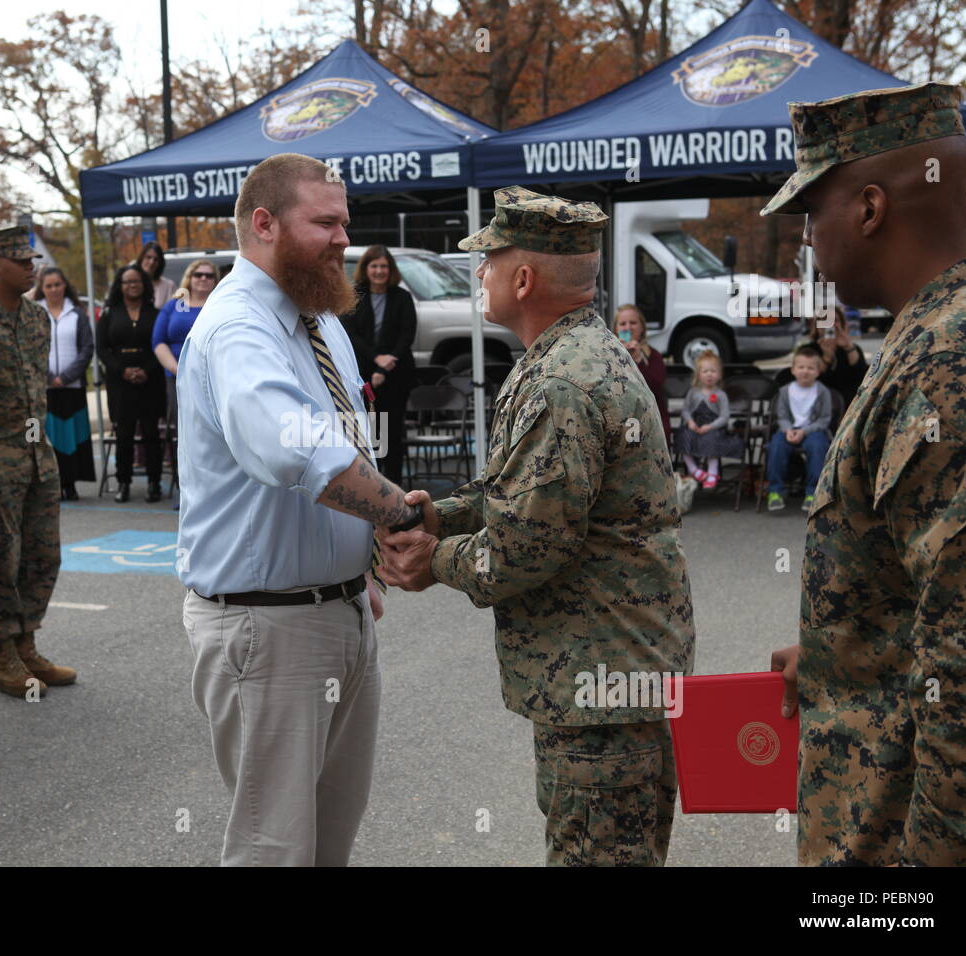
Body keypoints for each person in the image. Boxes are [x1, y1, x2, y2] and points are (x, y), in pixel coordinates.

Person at [378, 187, 695, 867]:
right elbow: (525, 496)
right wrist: (448, 514)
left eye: (487, 262)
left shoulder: (560, 381)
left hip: (600, 694)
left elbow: (525, 547)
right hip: (608, 681)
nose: (478, 276)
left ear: (522, 279)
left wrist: (434, 559)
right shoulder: (571, 357)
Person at [763, 82, 966, 866]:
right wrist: (835, 653)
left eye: (811, 212)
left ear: (868, 209)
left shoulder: (949, 365)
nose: (809, 240)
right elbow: (929, 598)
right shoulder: (939, 335)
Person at [178, 152, 412, 866]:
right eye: (327, 222)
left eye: (346, 221)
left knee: (328, 840)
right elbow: (295, 451)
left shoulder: (320, 319)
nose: (346, 238)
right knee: (275, 849)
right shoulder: (238, 328)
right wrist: (402, 515)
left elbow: (347, 446)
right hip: (269, 627)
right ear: (264, 224)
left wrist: (362, 565)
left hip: (337, 612)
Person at [0, 225, 76, 699]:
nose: (32, 267)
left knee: (44, 555)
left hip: (37, 461)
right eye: (20, 261)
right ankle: (4, 655)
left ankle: (28, 643)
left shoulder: (35, 320)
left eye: (32, 260)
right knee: (1, 559)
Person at [340, 245, 417, 484]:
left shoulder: (402, 297)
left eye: (384, 266)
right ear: (366, 268)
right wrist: (376, 360)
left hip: (396, 375)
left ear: (390, 269)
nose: (379, 271)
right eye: (374, 266)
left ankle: (395, 485)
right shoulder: (354, 295)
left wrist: (386, 364)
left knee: (392, 433)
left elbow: (407, 333)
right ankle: (372, 483)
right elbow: (350, 334)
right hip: (363, 374)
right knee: (368, 431)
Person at [98, 265, 165, 503]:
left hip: (150, 380)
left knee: (151, 434)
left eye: (136, 281)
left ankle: (154, 482)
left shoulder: (156, 313)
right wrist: (122, 371)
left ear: (144, 284)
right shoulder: (109, 314)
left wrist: (145, 371)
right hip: (120, 382)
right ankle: (123, 483)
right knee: (123, 434)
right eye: (126, 282)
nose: (132, 285)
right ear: (120, 285)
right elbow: (102, 349)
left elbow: (160, 344)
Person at [33, 266, 96, 500]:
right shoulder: (34, 312)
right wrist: (49, 376)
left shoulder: (77, 313)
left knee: (72, 435)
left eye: (57, 284)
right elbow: (30, 347)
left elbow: (87, 347)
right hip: (44, 388)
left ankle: (71, 483)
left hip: (72, 386)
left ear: (65, 286)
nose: (54, 289)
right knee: (49, 436)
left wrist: (66, 377)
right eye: (48, 286)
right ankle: (52, 484)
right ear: (42, 288)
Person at [152, 258, 218, 461]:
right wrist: (178, 369)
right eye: (199, 274)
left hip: (213, 377)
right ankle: (185, 474)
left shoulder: (221, 305)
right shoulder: (175, 305)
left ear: (216, 280)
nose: (203, 278)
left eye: (209, 275)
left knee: (212, 428)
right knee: (184, 427)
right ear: (190, 278)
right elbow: (158, 341)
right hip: (178, 377)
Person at [764, 344, 832, 512]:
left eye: (810, 368)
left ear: (818, 371)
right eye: (801, 367)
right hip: (789, 429)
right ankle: (775, 491)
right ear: (793, 369)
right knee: (776, 446)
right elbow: (782, 416)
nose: (805, 371)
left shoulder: (822, 392)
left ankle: (812, 492)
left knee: (817, 447)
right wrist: (788, 430)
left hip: (812, 431)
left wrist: (804, 431)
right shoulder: (785, 391)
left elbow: (824, 419)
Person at [672, 350, 743, 490]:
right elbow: (686, 410)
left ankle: (712, 472)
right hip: (695, 425)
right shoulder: (693, 392)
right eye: (705, 371)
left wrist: (710, 426)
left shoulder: (720, 395)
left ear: (719, 374)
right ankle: (694, 470)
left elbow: (724, 416)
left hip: (713, 427)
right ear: (698, 374)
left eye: (713, 371)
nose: (709, 374)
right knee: (683, 436)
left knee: (711, 439)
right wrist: (690, 422)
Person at [772, 305, 867, 407]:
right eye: (825, 320)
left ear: (842, 325)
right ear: (817, 326)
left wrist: (848, 346)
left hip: (848, 403)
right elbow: (808, 378)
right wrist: (826, 358)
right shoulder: (808, 349)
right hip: (816, 403)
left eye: (835, 320)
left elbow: (861, 375)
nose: (829, 324)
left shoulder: (852, 348)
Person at [613, 304, 670, 449]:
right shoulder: (607, 354)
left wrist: (639, 360)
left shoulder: (653, 355)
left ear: (642, 327)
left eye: (633, 323)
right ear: (616, 329)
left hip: (650, 422)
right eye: (623, 324)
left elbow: (656, 387)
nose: (628, 328)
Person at [135, 240, 176, 308]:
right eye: (148, 257)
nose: (151, 262)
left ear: (160, 263)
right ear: (141, 258)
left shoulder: (168, 286)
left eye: (156, 259)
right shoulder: (131, 284)